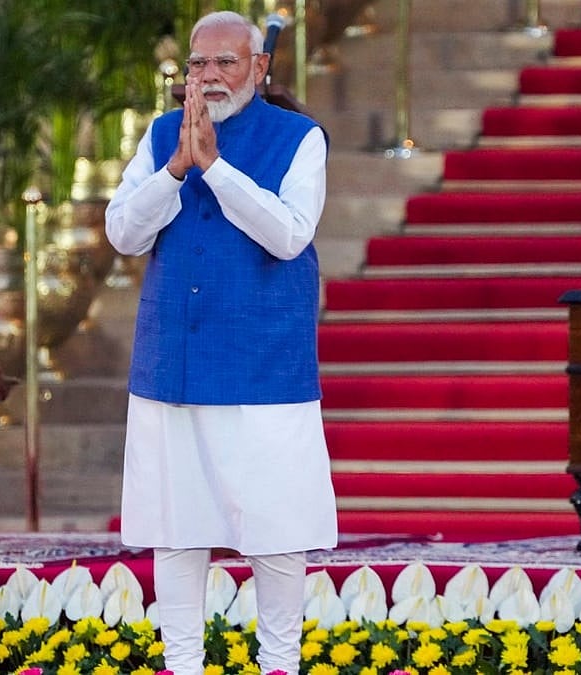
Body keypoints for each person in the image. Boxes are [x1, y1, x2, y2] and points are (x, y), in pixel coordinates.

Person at [105, 10, 337, 675]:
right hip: (172, 360)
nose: (209, 76)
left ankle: (279, 664)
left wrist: (216, 169)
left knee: (277, 528)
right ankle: (181, 664)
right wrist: (177, 167)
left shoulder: (299, 139)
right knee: (176, 530)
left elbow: (290, 233)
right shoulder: (158, 138)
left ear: (259, 68)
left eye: (225, 63)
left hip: (265, 364)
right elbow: (123, 231)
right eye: (198, 64)